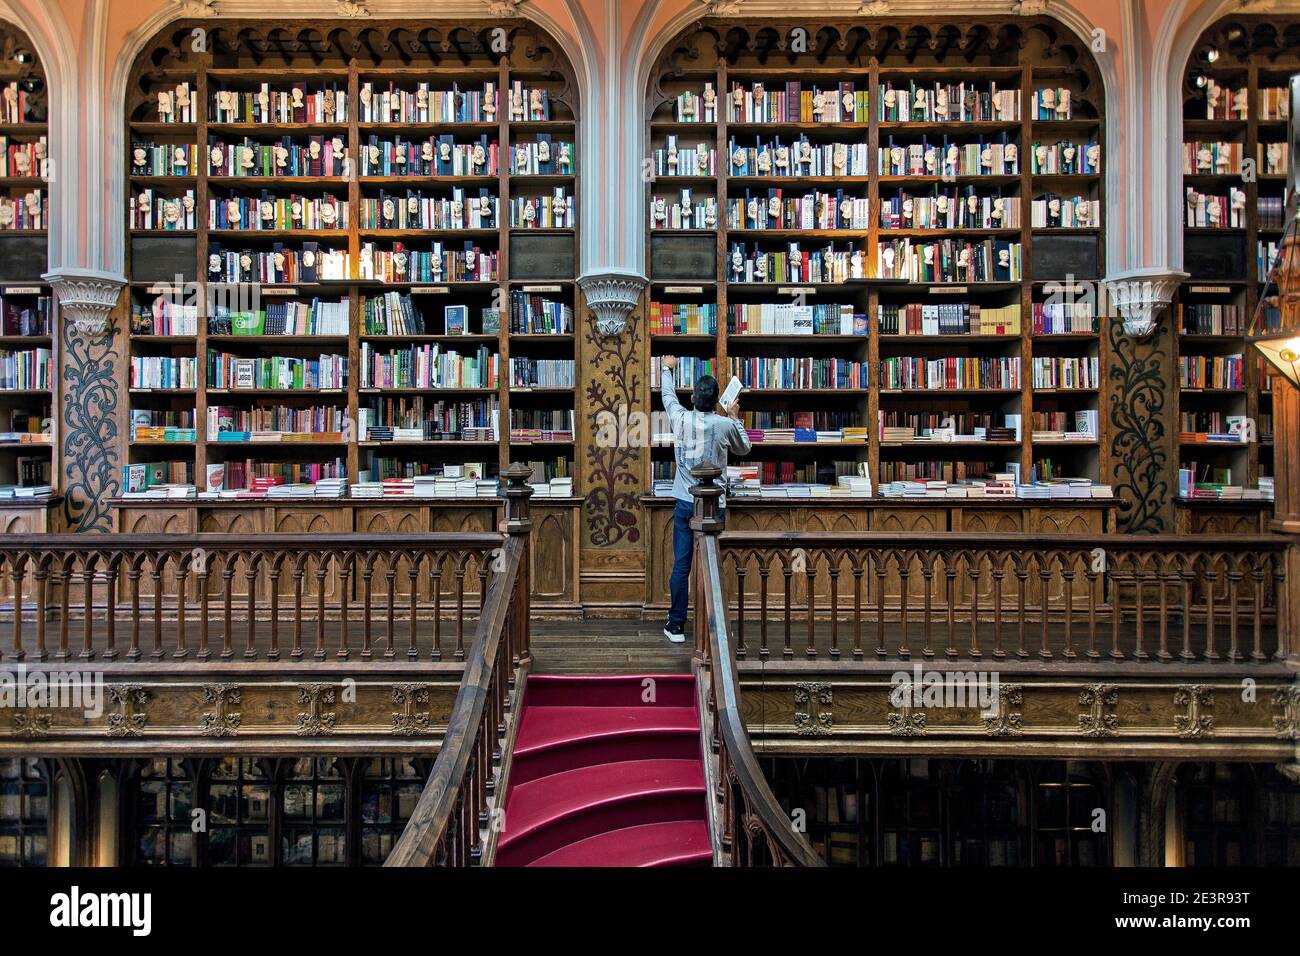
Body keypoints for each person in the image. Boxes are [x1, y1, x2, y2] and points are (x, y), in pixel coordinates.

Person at [659, 356, 750, 643]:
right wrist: (734, 418)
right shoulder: (724, 424)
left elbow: (667, 395)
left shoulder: (680, 418)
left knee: (682, 565)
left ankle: (676, 626)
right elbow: (745, 448)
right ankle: (714, 625)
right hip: (714, 506)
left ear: (693, 397)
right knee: (711, 564)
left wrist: (667, 368)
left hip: (685, 502)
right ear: (716, 402)